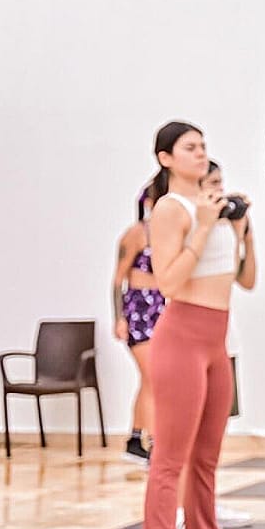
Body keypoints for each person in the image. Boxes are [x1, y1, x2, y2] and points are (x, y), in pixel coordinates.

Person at [139, 121, 259, 529]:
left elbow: (246, 280)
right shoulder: (170, 209)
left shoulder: (211, 207)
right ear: (166, 158)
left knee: (207, 459)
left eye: (203, 145)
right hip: (181, 340)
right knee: (170, 460)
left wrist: (242, 230)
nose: (200, 152)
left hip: (215, 342)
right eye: (189, 147)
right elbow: (167, 282)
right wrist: (204, 227)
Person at [111, 186, 161, 465]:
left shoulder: (169, 235)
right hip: (139, 310)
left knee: (150, 379)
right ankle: (154, 443)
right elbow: (118, 279)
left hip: (162, 308)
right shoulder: (137, 234)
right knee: (153, 377)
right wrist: (118, 317)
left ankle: (134, 438)